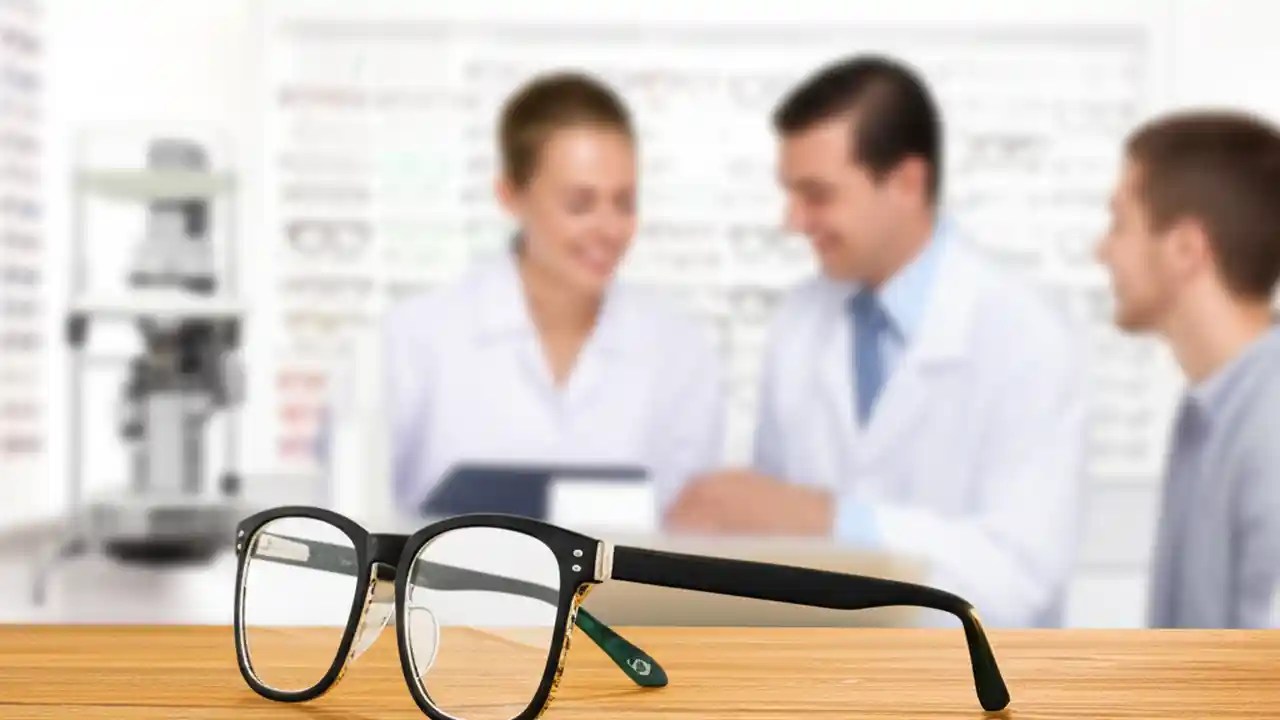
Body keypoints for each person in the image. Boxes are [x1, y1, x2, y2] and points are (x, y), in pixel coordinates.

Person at [666, 56, 1085, 628]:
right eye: (791, 193)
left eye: (817, 194)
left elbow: (1019, 580)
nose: (793, 220)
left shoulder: (1023, 334)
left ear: (907, 183)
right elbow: (774, 548)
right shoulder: (798, 323)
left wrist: (830, 519)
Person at [383, 72, 723, 515]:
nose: (609, 229)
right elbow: (361, 519)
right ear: (510, 196)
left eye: (624, 202)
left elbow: (692, 534)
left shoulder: (678, 348)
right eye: (580, 204)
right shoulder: (413, 340)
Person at [1096, 111, 1280, 629]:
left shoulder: (1270, 426)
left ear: (1185, 249)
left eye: (1119, 224)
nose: (1102, 251)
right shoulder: (1208, 410)